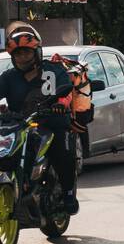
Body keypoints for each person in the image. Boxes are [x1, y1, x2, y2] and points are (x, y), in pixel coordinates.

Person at [0, 23, 79, 214]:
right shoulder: (8, 77)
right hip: (20, 125)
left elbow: (66, 89)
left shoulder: (53, 70)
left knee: (61, 150)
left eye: (26, 52)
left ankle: (68, 193)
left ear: (36, 52)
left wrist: (60, 104)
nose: (22, 57)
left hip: (52, 122)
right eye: (18, 54)